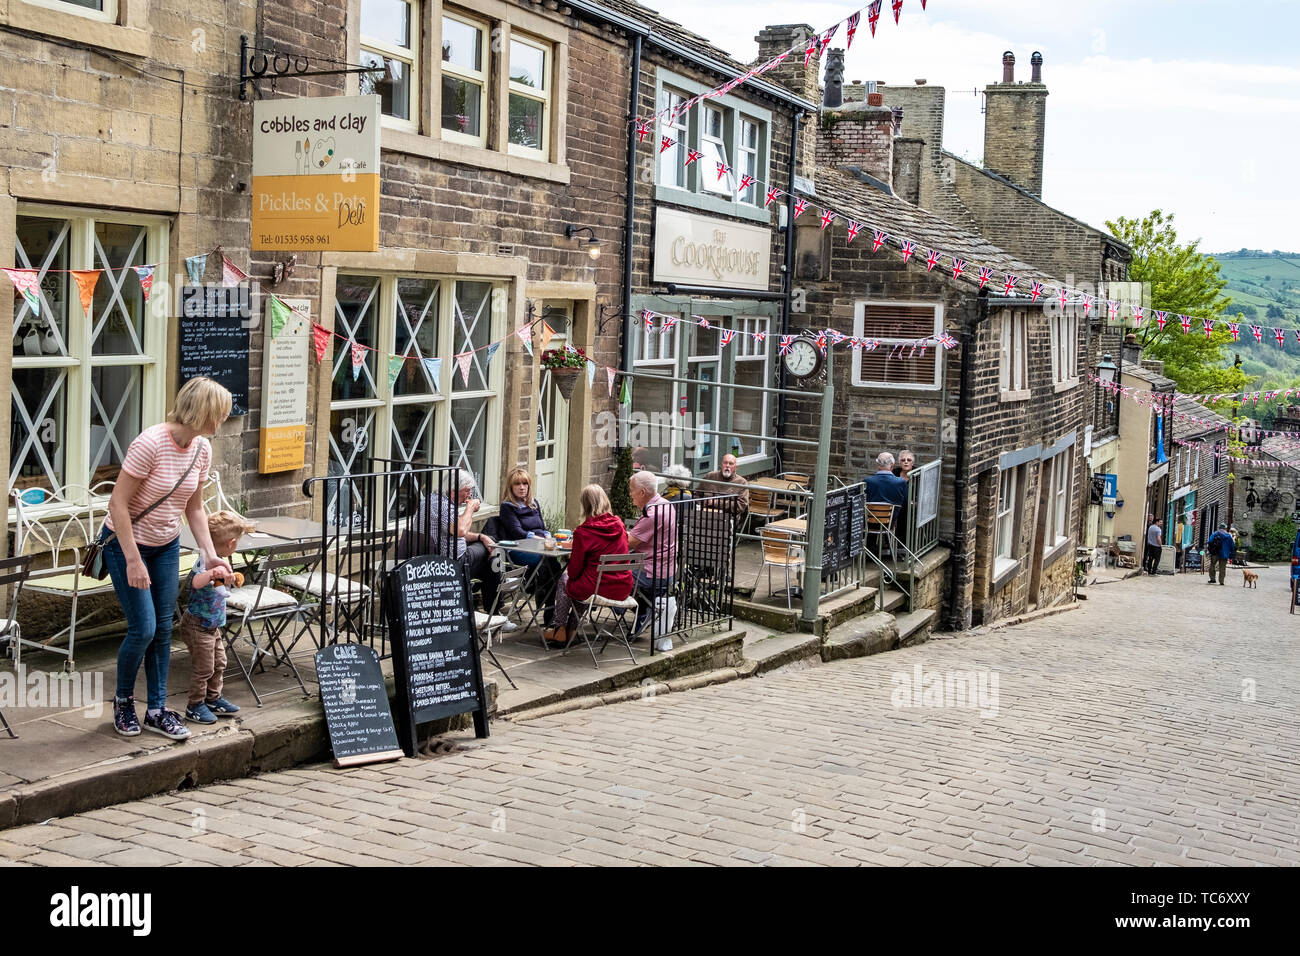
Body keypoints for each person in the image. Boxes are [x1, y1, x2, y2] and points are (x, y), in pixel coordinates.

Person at [104, 376, 233, 741]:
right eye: (219, 413)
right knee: (143, 628)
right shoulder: (151, 444)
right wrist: (132, 559)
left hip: (166, 544)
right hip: (125, 544)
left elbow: (194, 506)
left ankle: (157, 710)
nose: (222, 421)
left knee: (162, 628)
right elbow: (117, 503)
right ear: (203, 410)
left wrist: (209, 554)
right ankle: (124, 701)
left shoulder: (201, 448)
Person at [180, 510, 256, 723]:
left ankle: (213, 699)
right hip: (197, 625)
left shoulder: (220, 561)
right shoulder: (204, 562)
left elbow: (220, 586)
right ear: (232, 544)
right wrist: (213, 574)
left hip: (212, 626)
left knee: (219, 663)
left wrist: (229, 578)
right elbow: (196, 582)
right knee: (204, 668)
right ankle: (195, 705)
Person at [542, 485, 634, 647]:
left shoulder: (583, 532)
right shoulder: (619, 525)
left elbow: (574, 570)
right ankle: (571, 629)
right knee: (583, 583)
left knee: (566, 580)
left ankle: (559, 629)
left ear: (585, 505)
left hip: (599, 588)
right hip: (622, 588)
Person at [402, 470, 501, 615]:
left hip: (432, 557)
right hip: (450, 562)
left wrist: (481, 537)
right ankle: (494, 611)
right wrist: (470, 508)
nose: (469, 495)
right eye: (467, 491)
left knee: (489, 547)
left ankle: (476, 596)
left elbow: (454, 532)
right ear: (454, 490)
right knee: (494, 551)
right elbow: (460, 531)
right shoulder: (443, 505)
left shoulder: (430, 499)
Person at [496, 467, 561, 625]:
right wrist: (538, 537)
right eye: (517, 484)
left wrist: (547, 536)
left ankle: (547, 602)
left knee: (553, 563)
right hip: (519, 549)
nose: (522, 487)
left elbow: (543, 527)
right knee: (551, 564)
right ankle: (548, 608)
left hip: (539, 546)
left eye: (525, 483)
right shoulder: (507, 507)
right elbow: (517, 531)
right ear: (511, 487)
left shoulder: (533, 504)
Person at [628, 469, 677, 635]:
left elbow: (629, 542)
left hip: (651, 573)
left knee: (604, 578)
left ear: (642, 492)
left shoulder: (653, 513)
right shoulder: (666, 504)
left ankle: (645, 611)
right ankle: (645, 610)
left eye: (632, 490)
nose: (630, 493)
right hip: (666, 569)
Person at [1206, 522, 1235, 587]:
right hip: (1225, 554)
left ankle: (1212, 579)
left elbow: (1210, 541)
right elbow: (1232, 546)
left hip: (1215, 553)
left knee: (1212, 565)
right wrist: (1231, 553)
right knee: (1222, 568)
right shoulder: (1228, 536)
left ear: (1219, 528)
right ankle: (1221, 581)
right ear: (1225, 528)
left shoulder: (1215, 533)